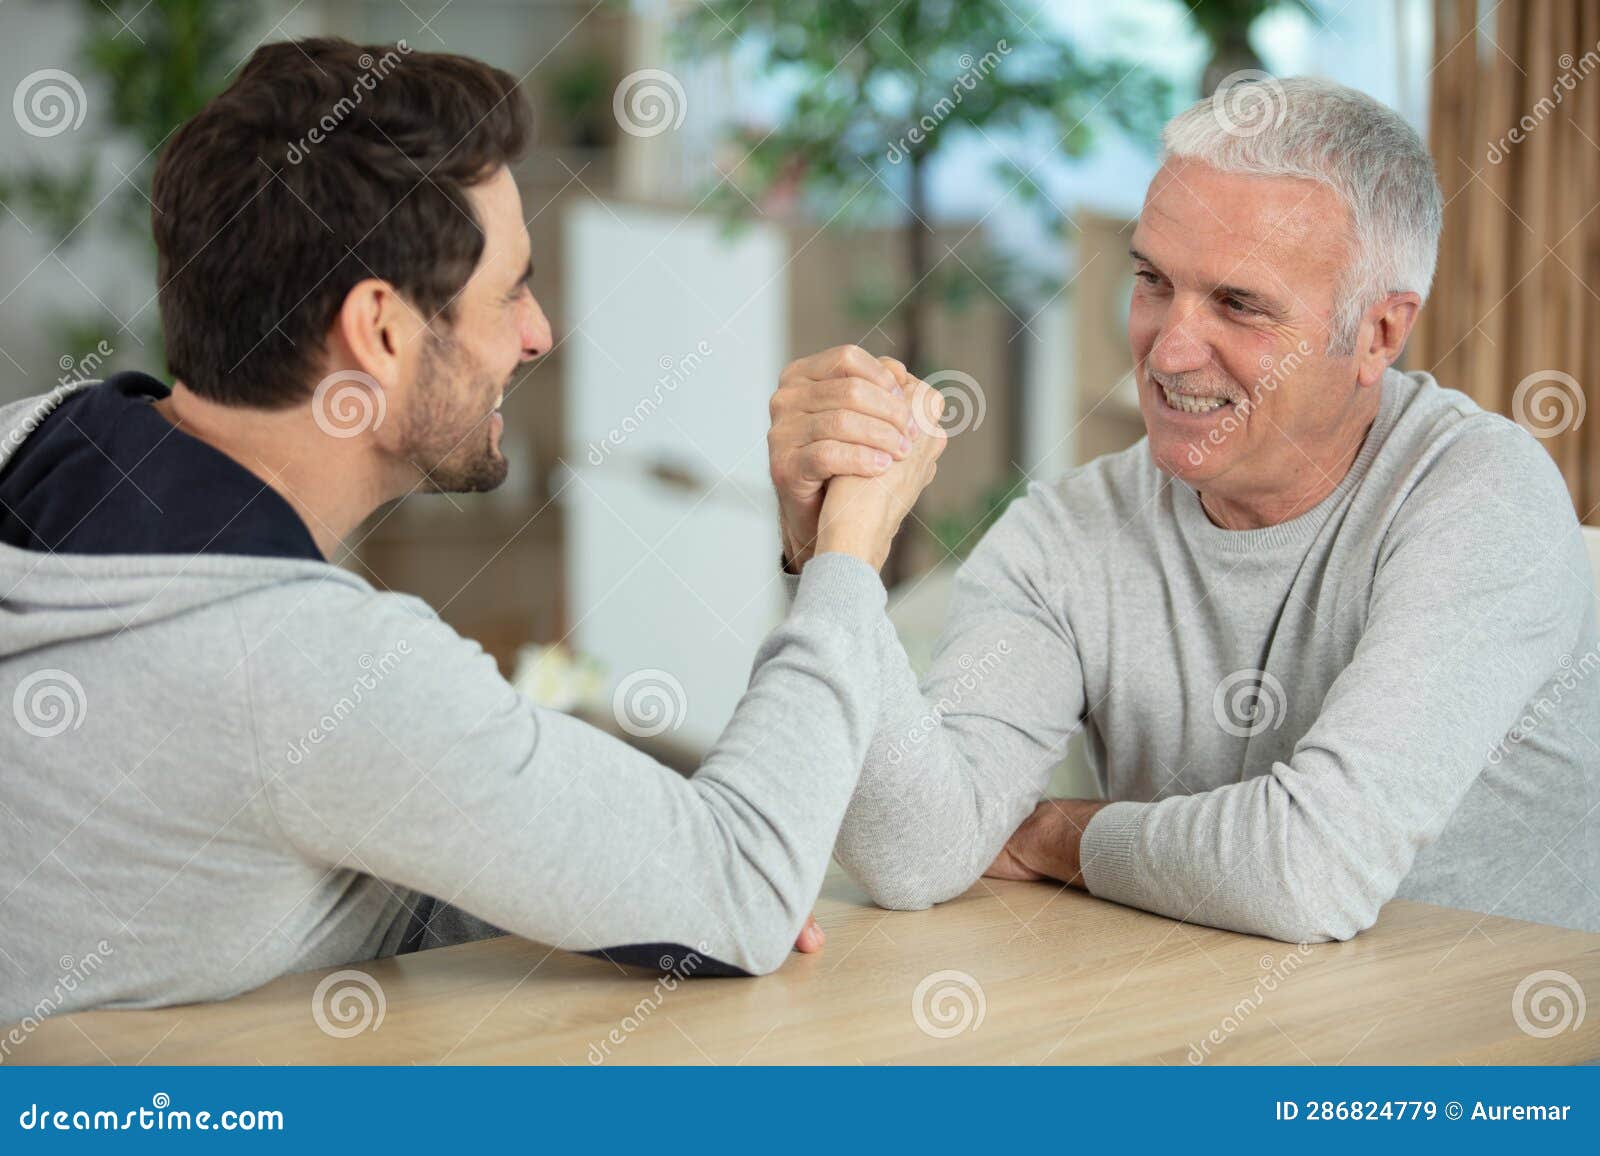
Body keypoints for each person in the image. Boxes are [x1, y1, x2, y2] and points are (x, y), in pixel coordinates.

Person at [0, 38, 946, 1024]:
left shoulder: (34, 436)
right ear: (381, 331)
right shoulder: (306, 665)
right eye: (509, 291)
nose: (536, 336)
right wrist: (845, 548)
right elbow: (746, 887)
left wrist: (619, 882)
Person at [768, 78, 1600, 942]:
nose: (1167, 349)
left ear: (1379, 335)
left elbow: (1310, 873)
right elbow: (918, 853)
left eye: (1239, 304)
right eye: (1153, 280)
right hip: (1196, 1041)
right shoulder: (1069, 533)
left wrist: (1059, 834)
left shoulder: (1480, 494)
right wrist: (831, 547)